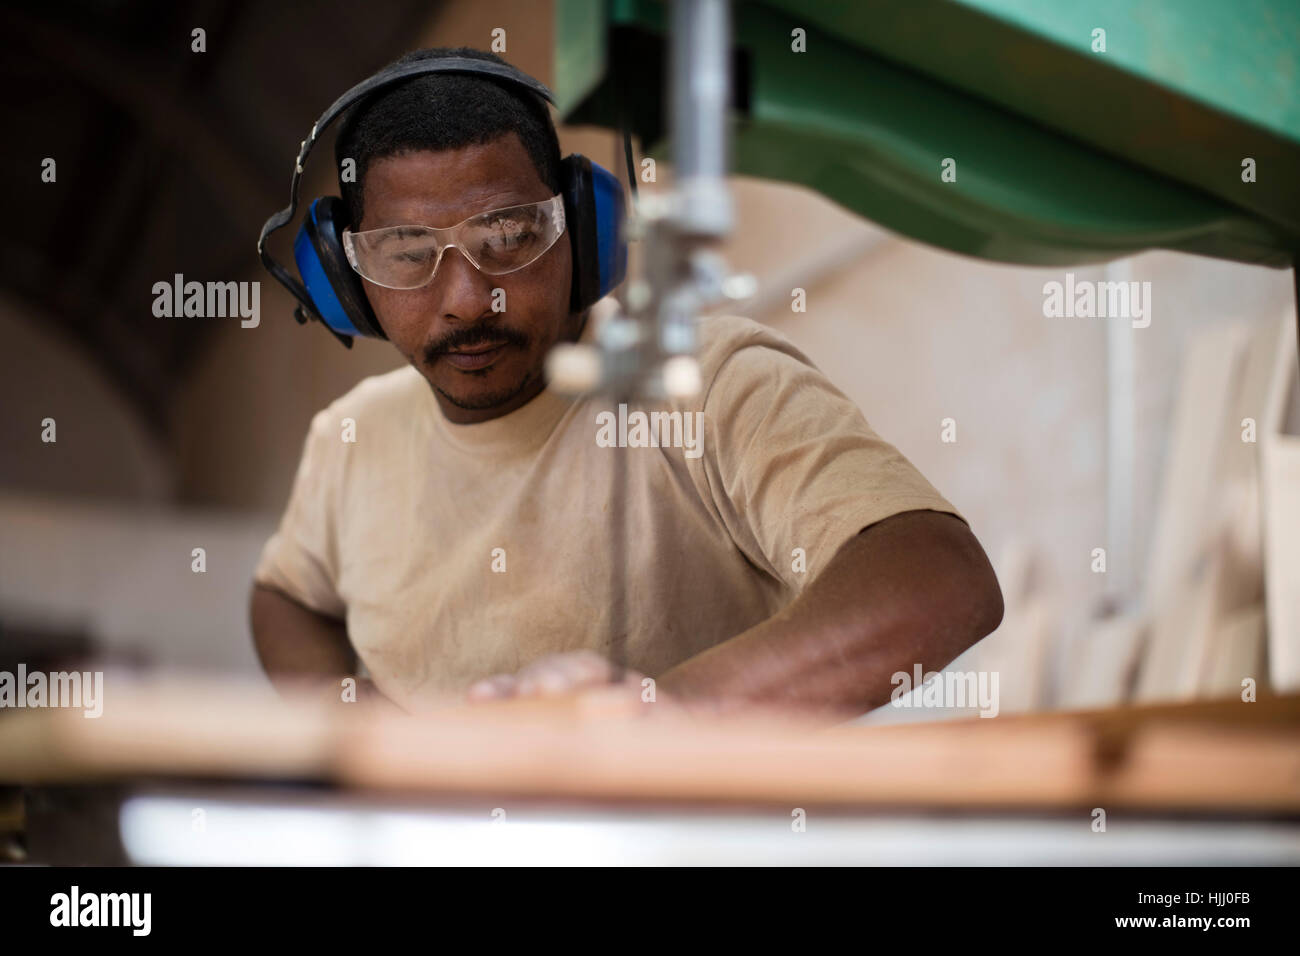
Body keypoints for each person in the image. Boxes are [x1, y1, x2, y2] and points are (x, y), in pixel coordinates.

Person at [249, 46, 1003, 721]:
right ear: (346, 279)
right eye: (407, 253)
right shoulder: (350, 438)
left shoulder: (707, 382)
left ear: (585, 232)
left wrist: (657, 721)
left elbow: (938, 576)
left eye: (509, 235)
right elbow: (284, 597)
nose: (470, 300)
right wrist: (350, 722)